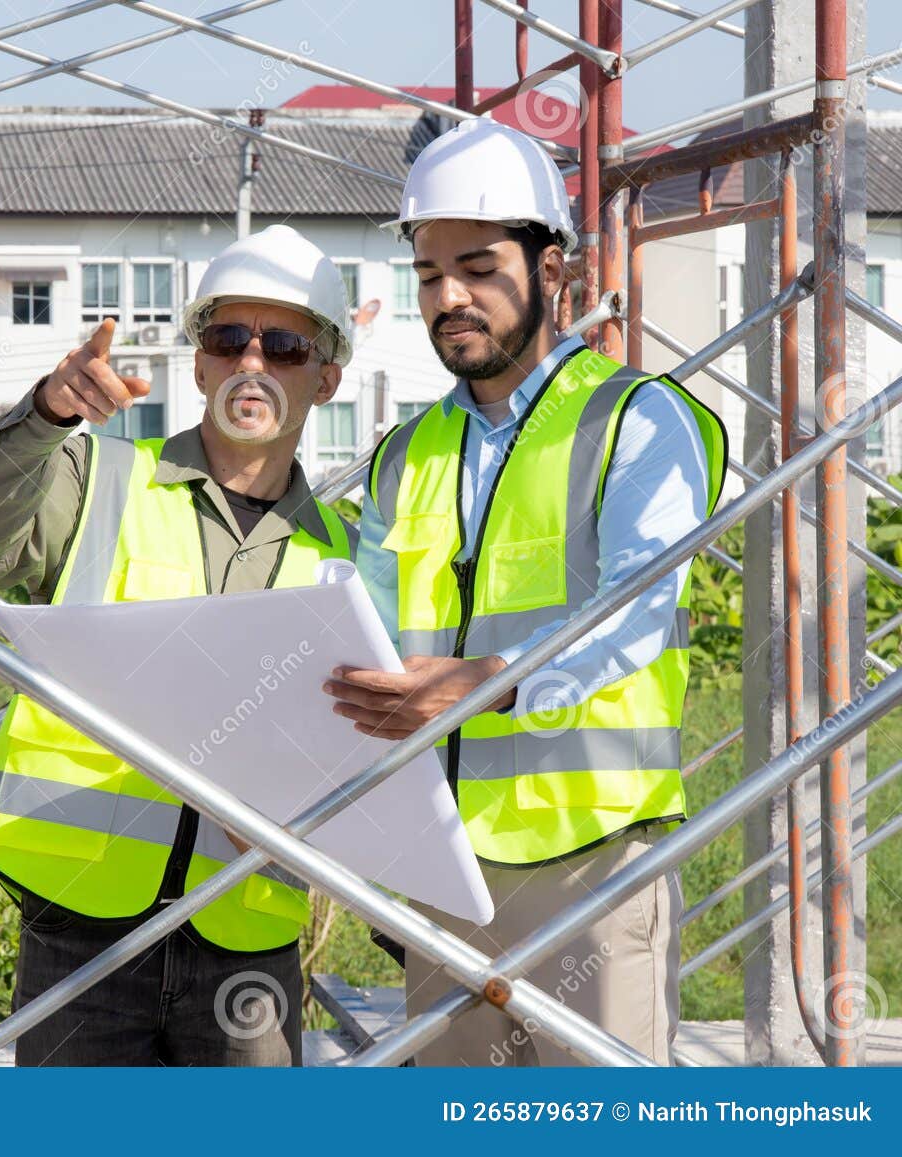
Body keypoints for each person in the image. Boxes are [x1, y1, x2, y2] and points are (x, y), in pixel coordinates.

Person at [324, 118, 727, 1066]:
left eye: (478, 265)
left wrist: (492, 679)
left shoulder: (634, 419)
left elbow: (637, 608)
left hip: (590, 864)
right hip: (441, 866)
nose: (449, 297)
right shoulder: (403, 454)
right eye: (428, 274)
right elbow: (366, 634)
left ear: (553, 270)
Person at [0, 224, 359, 1066]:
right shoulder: (100, 478)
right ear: (198, 363)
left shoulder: (347, 556)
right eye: (228, 338)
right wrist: (49, 411)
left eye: (284, 345)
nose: (252, 363)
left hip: (248, 931)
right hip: (79, 924)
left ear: (327, 377)